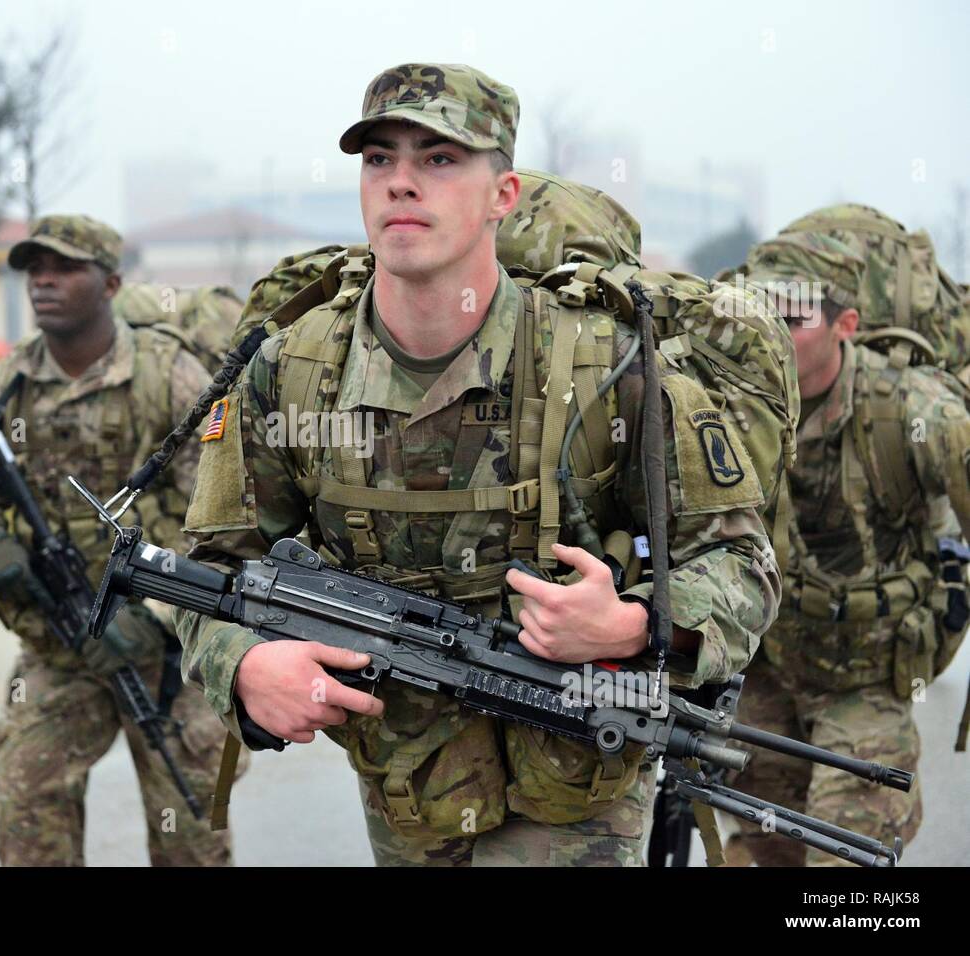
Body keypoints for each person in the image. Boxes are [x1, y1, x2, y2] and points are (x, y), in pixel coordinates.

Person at [173, 64, 780, 866]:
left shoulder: (606, 366)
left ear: (504, 195)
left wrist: (632, 624)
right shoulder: (288, 370)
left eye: (439, 159)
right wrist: (244, 664)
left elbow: (741, 561)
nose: (400, 184)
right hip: (409, 796)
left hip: (580, 792)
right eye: (379, 159)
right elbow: (212, 567)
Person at [0, 216, 239, 866]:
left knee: (189, 829)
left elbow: (220, 524)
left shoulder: (171, 377)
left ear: (109, 282)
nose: (44, 281)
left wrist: (155, 614)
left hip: (170, 652)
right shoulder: (11, 384)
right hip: (62, 642)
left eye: (65, 268)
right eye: (34, 269)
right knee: (26, 800)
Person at [723, 231, 970, 866]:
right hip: (770, 670)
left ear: (846, 325)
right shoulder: (727, 402)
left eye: (795, 318)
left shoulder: (917, 413)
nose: (774, 333)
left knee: (844, 860)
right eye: (762, 313)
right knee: (762, 848)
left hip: (869, 678)